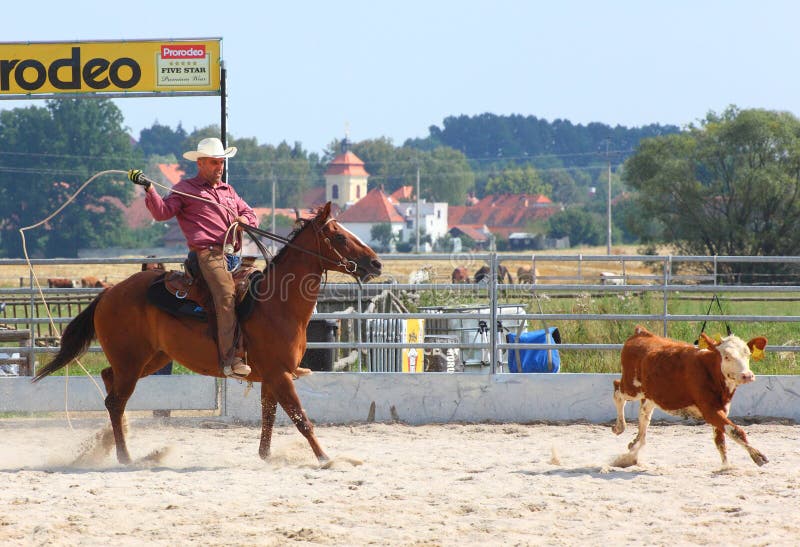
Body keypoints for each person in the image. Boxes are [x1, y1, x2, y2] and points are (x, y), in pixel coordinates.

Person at [128, 137, 257, 379]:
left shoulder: (228, 191)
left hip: (232, 256)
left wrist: (245, 221)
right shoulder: (185, 190)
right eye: (214, 162)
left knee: (260, 288)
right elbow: (162, 212)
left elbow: (249, 213)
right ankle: (232, 359)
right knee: (226, 294)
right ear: (200, 163)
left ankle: (264, 353)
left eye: (222, 162)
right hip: (207, 255)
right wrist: (150, 189)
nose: (220, 167)